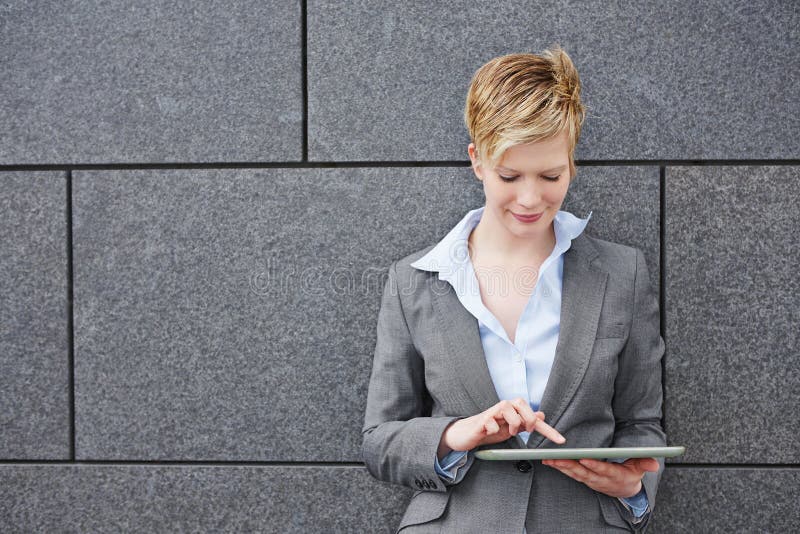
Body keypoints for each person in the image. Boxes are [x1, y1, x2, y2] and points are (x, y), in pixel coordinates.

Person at [361, 46, 666, 533]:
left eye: (551, 175)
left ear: (572, 164)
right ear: (476, 161)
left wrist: (631, 489)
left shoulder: (622, 273)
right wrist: (458, 435)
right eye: (509, 175)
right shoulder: (414, 281)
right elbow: (379, 441)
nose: (530, 198)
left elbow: (642, 424)